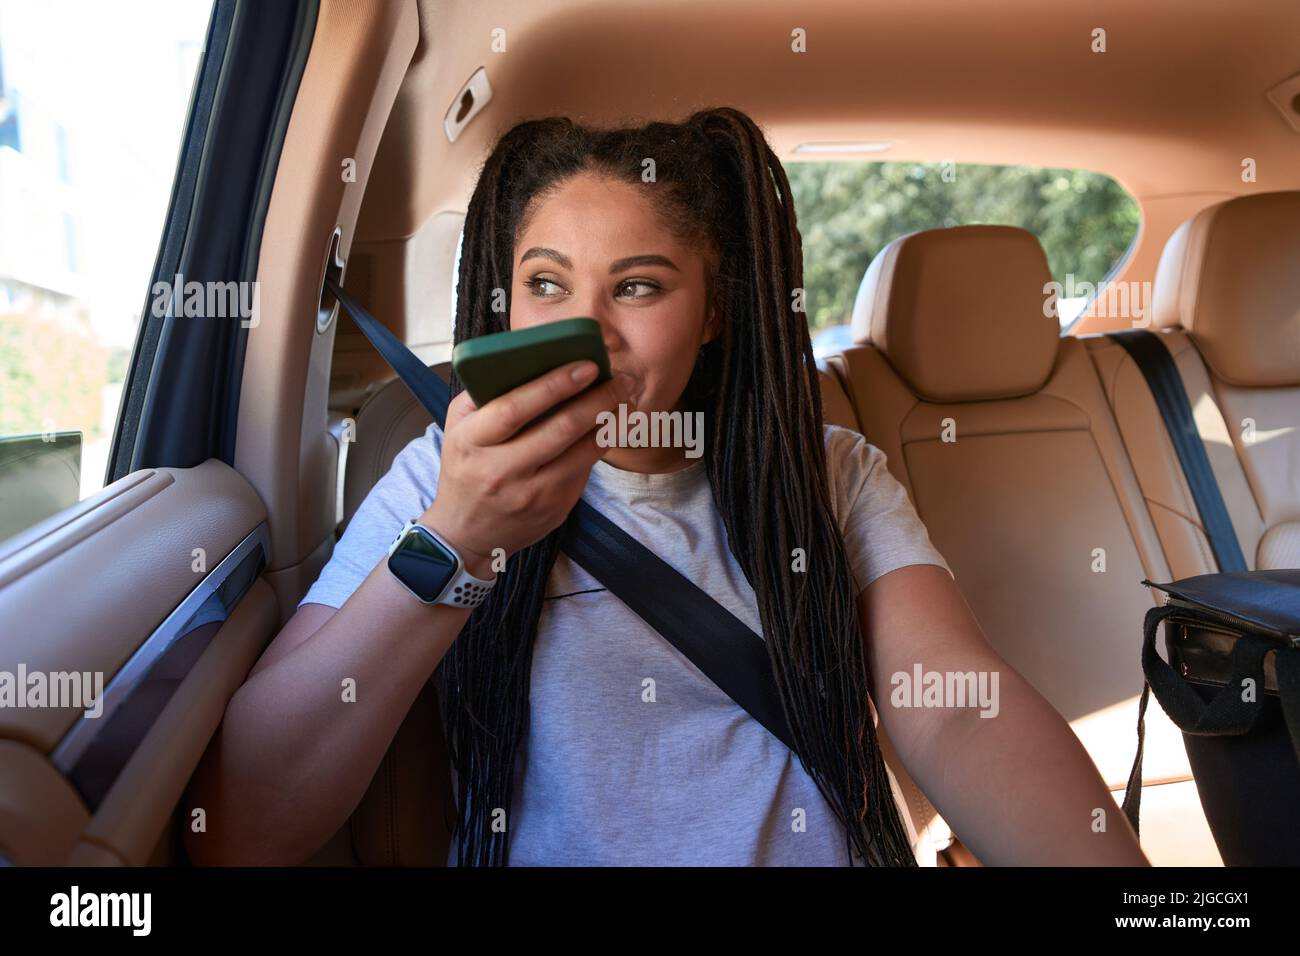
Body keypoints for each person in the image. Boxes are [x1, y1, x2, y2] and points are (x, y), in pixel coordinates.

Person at [185, 106, 1149, 867]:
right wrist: (460, 540)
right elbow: (244, 826)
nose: (591, 326)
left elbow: (952, 707)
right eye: (548, 286)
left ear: (716, 310)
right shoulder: (440, 481)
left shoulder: (828, 475)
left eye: (639, 287)